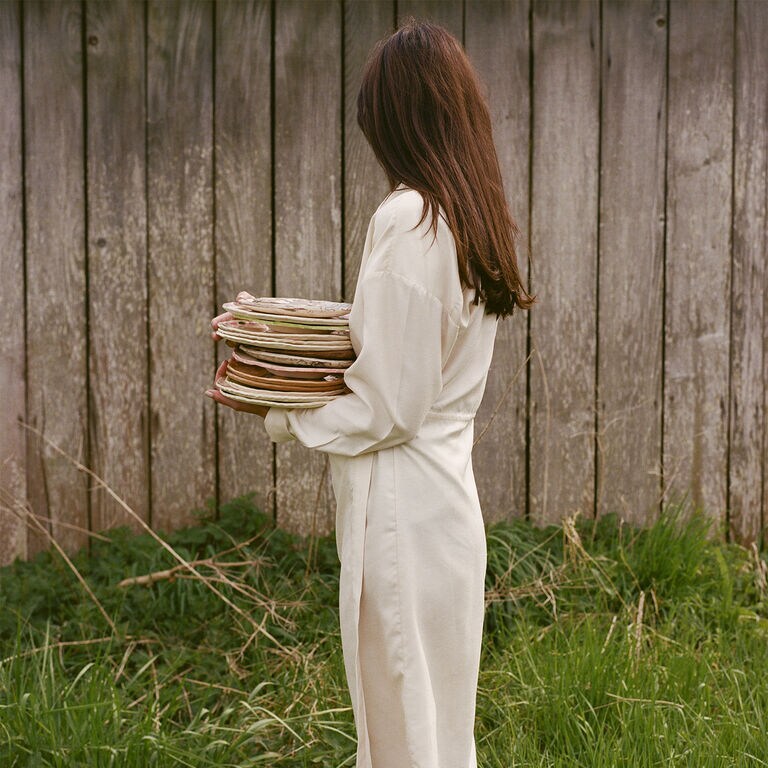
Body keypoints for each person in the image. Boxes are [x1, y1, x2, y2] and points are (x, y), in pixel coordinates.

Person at [205, 19, 535, 768]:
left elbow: (389, 406)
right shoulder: (467, 214)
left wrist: (280, 406)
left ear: (399, 120)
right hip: (444, 507)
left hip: (404, 517)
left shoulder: (411, 221)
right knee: (438, 731)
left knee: (403, 738)